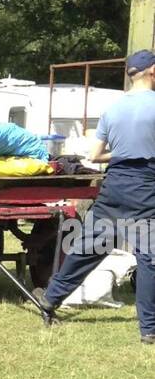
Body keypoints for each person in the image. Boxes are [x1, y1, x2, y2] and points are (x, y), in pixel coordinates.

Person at [37, 49, 155, 342]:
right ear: (152, 72)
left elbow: (95, 155)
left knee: (90, 247)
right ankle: (149, 330)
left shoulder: (113, 109)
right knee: (149, 255)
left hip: (113, 185)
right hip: (145, 185)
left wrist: (123, 152)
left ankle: (51, 299)